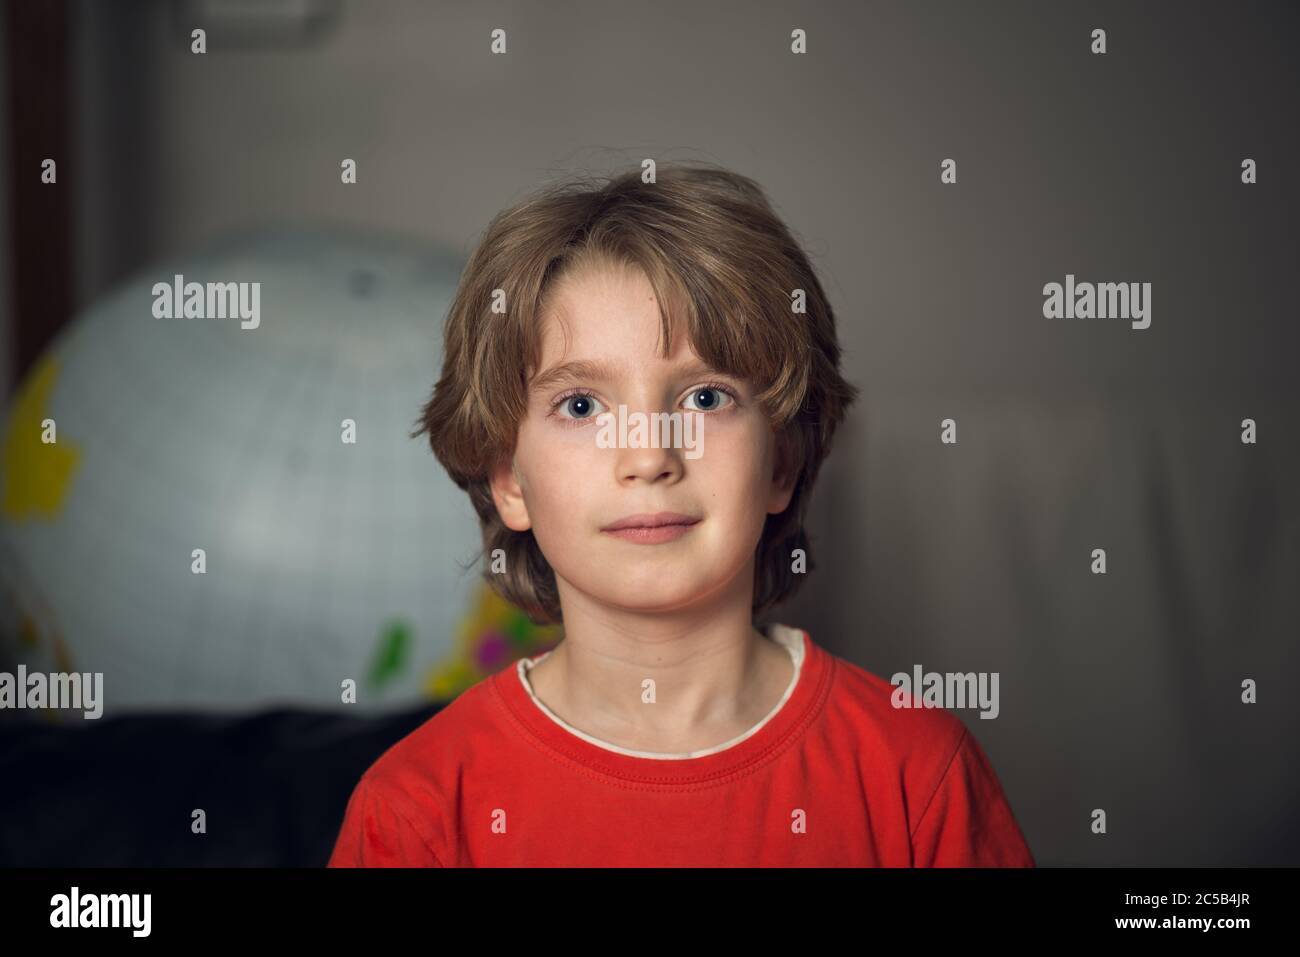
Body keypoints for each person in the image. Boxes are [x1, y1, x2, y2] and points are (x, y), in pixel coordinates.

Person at [327, 162, 1034, 867]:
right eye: (581, 406)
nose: (650, 456)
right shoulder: (416, 809)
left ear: (780, 464)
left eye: (704, 398)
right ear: (509, 479)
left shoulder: (916, 771)